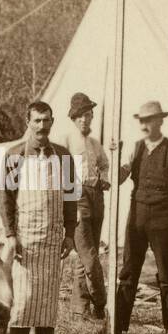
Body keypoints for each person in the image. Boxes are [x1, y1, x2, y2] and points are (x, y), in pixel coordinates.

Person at [113, 100, 168, 334]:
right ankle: (118, 326)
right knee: (128, 272)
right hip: (137, 215)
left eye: (149, 120)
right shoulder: (135, 148)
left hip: (162, 218)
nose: (144, 125)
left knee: (167, 274)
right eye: (141, 120)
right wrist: (116, 159)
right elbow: (119, 178)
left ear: (160, 121)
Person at [0, 101, 77, 334]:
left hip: (53, 239)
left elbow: (70, 197)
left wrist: (70, 233)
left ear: (52, 122)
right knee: (23, 299)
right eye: (37, 121)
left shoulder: (63, 157)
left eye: (47, 121)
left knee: (47, 301)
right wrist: (10, 235)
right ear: (27, 122)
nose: (42, 127)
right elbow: (6, 199)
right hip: (25, 239)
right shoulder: (14, 156)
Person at [59, 91, 109, 321]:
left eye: (88, 115)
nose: (85, 120)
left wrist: (104, 178)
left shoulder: (95, 143)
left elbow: (104, 164)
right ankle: (101, 304)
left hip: (96, 196)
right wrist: (71, 206)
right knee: (89, 257)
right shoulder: (66, 141)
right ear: (73, 118)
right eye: (80, 116)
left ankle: (80, 309)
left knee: (86, 257)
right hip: (77, 197)